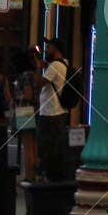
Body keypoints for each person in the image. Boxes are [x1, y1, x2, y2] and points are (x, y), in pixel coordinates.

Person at [34, 40, 69, 182]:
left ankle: (47, 176)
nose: (46, 50)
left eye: (48, 47)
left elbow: (39, 83)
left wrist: (38, 68)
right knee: (55, 147)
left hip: (50, 113)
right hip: (59, 112)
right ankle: (54, 176)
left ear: (55, 48)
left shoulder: (55, 66)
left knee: (46, 147)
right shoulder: (64, 63)